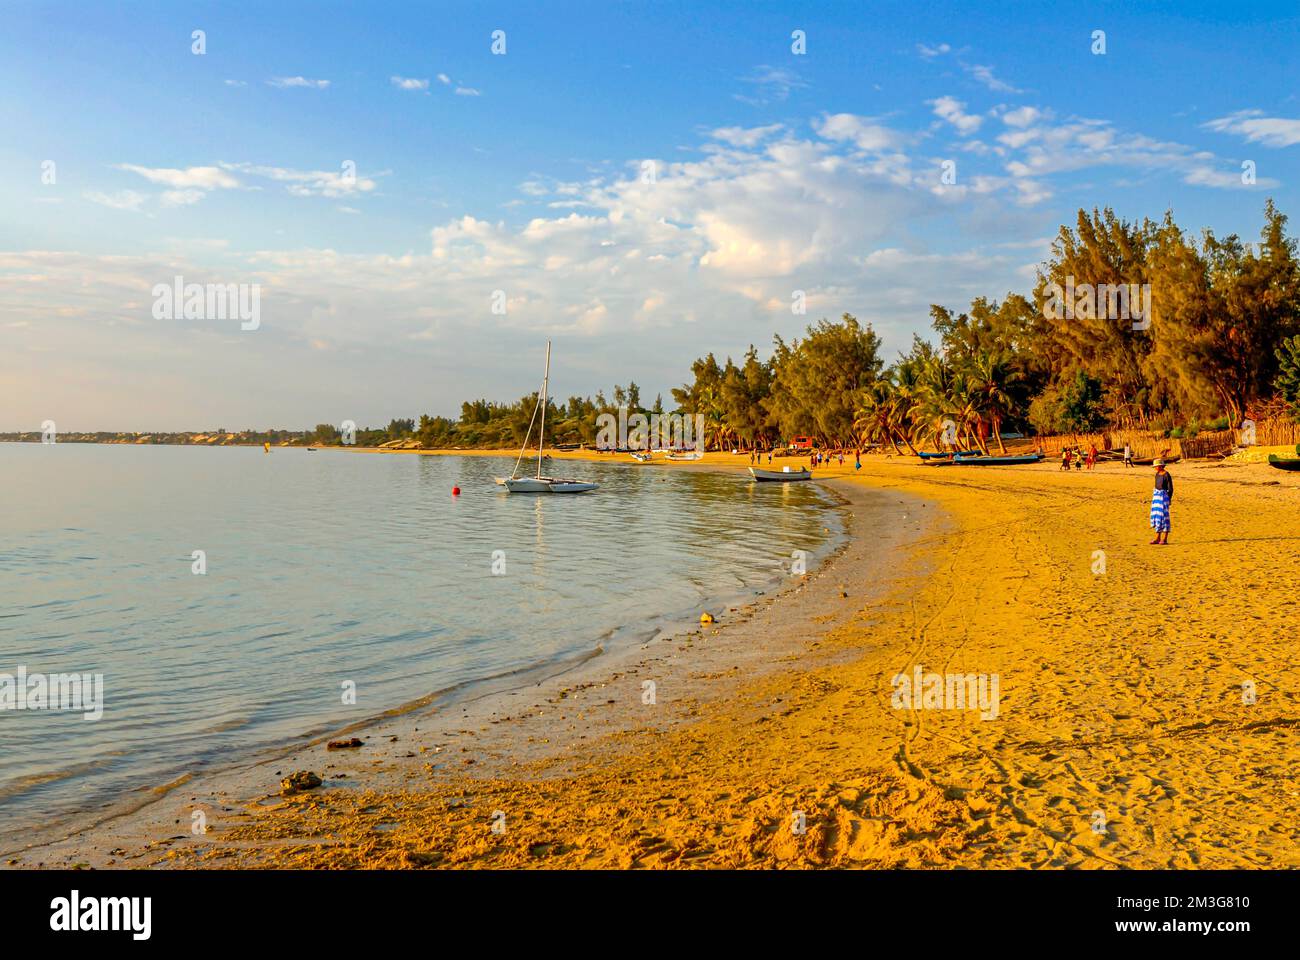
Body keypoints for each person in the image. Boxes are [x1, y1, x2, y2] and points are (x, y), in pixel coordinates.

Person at [1149, 460, 1173, 545]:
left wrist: (1169, 499)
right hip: (1156, 497)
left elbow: (1170, 489)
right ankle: (1157, 538)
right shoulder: (1157, 474)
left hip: (1164, 497)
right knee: (1157, 517)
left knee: (1164, 517)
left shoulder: (1167, 475)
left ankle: (1165, 539)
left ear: (1161, 466)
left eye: (1156, 466)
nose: (1155, 468)